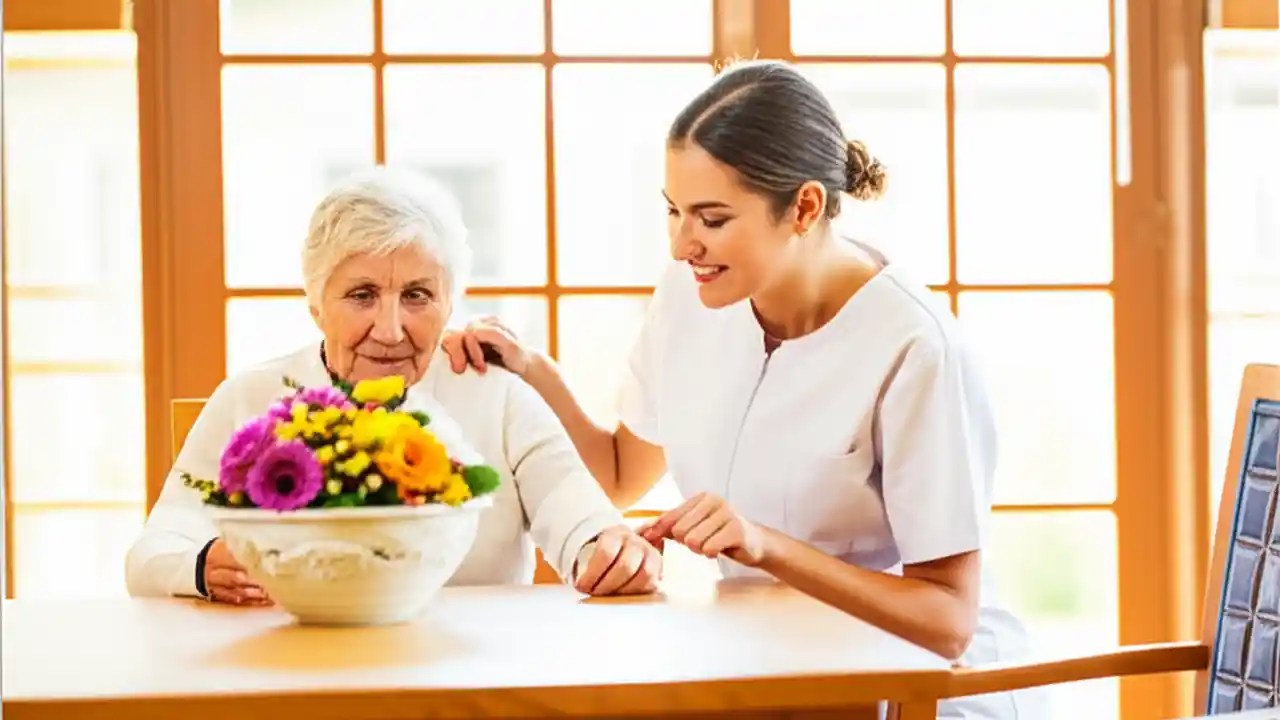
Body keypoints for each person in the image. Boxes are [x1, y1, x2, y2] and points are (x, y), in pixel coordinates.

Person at [443, 60, 1044, 718]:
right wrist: (531, 371)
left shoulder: (916, 346)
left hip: (920, 689)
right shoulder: (694, 293)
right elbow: (618, 474)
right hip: (781, 668)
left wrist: (765, 546)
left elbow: (946, 618)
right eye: (673, 212)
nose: (681, 246)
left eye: (712, 218)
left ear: (805, 207)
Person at [126, 167, 661, 604]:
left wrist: (610, 552)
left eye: (417, 295)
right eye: (361, 296)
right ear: (315, 306)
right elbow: (152, 553)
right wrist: (200, 567)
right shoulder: (251, 397)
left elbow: (583, 521)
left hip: (471, 686)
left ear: (450, 303)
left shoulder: (493, 394)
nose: (390, 330)